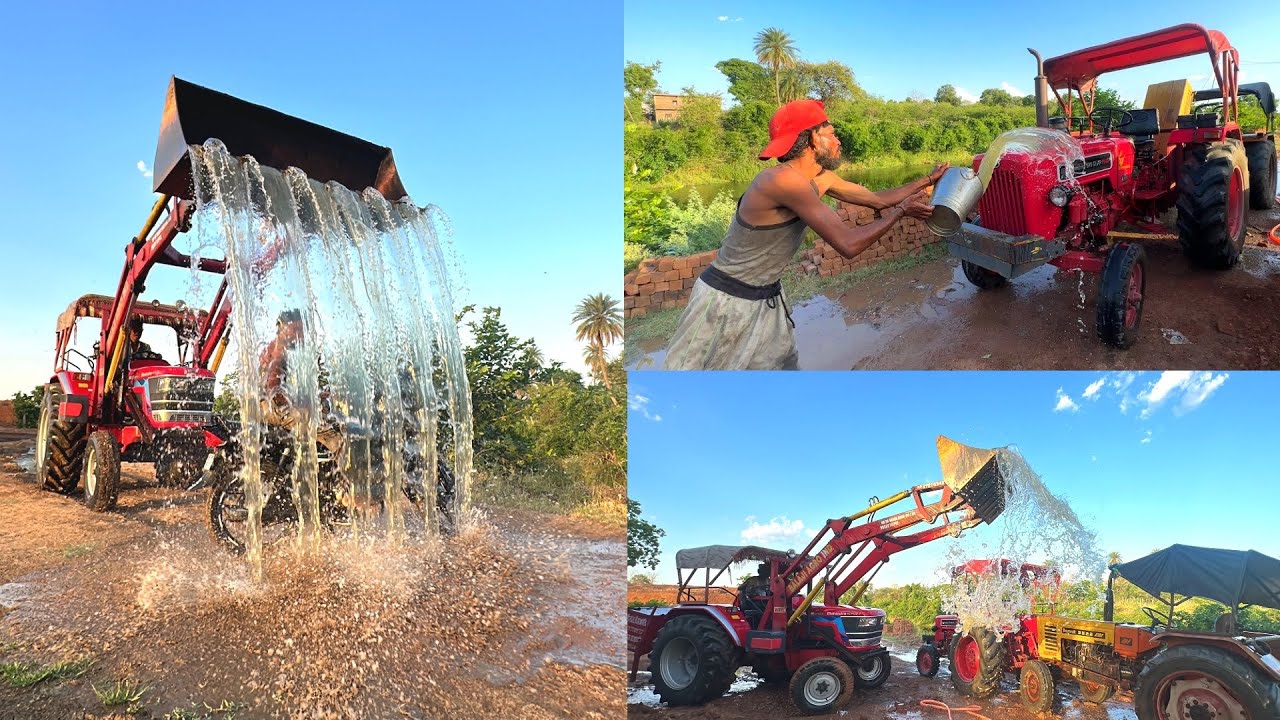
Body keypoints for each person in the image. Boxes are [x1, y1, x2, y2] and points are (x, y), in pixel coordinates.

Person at [663, 99, 946, 370]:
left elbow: (878, 200)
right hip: (724, 303)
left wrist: (928, 180)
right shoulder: (780, 180)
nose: (838, 141)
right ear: (812, 139)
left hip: (767, 298)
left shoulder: (820, 178)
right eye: (832, 134)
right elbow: (848, 244)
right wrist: (901, 213)